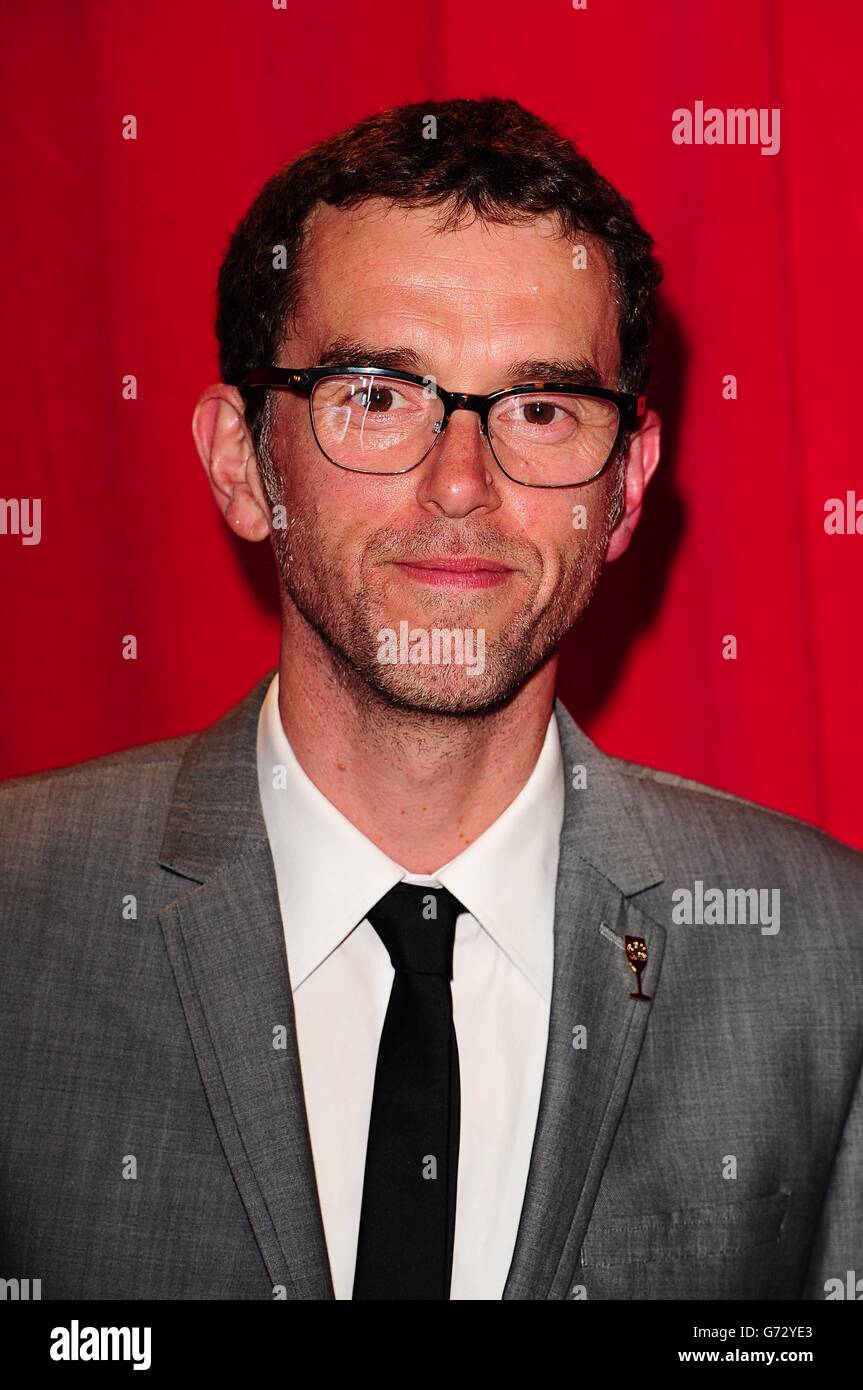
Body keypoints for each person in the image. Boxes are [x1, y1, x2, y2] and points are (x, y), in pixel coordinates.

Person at [1, 97, 860, 1302]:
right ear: (241, 462)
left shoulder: (823, 953)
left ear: (624, 489)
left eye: (539, 409)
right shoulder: (20, 915)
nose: (460, 485)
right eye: (375, 395)